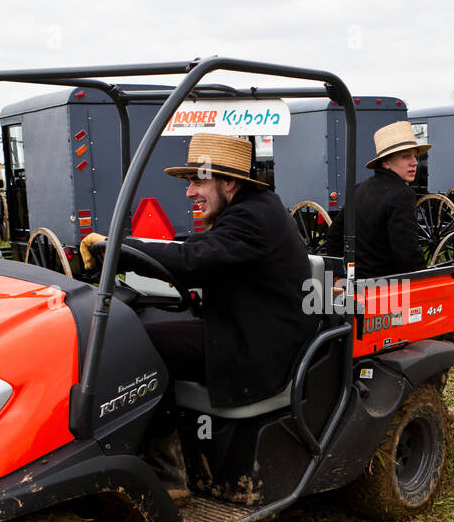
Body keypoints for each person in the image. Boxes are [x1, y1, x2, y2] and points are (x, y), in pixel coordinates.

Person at [83, 133, 316, 410]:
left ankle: (162, 444)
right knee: (143, 332)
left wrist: (118, 249)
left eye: (198, 181)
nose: (189, 192)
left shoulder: (250, 217)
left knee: (132, 343)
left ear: (228, 182)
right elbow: (200, 247)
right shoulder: (253, 208)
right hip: (249, 329)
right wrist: (123, 247)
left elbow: (192, 260)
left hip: (255, 349)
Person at [324, 120, 429, 279]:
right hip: (386, 291)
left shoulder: (358, 190)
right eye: (405, 156)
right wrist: (427, 279)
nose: (414, 162)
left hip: (356, 287)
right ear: (386, 162)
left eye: (415, 156)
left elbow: (333, 236)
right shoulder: (402, 194)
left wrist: (343, 276)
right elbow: (407, 254)